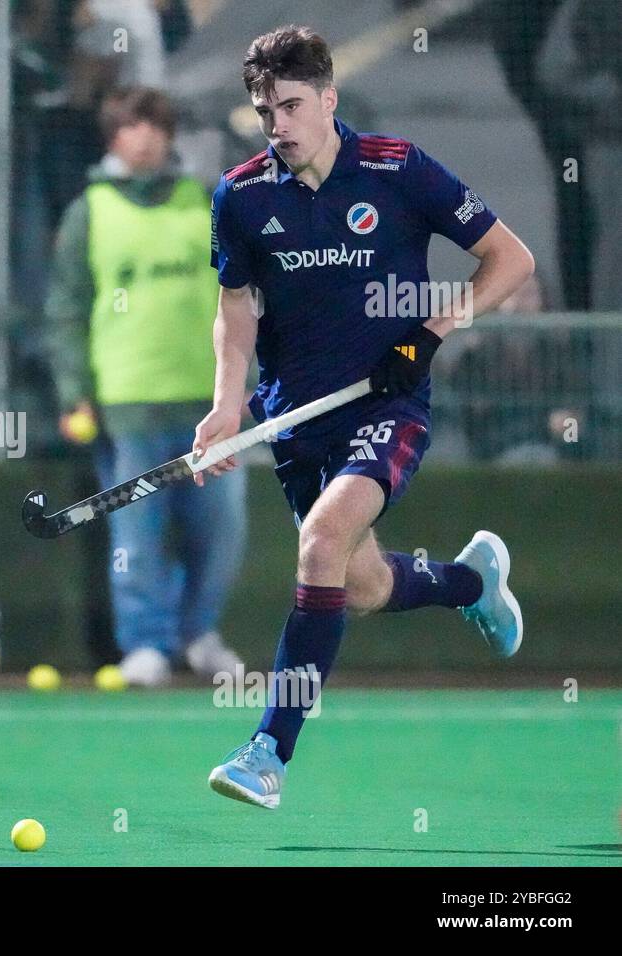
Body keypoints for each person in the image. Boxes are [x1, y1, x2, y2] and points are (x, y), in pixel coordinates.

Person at [194, 26, 535, 808]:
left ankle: (267, 751)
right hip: (294, 418)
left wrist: (428, 334)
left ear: (328, 99)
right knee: (359, 582)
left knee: (320, 540)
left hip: (389, 403)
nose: (275, 125)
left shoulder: (399, 169)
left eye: (289, 105)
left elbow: (511, 259)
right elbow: (236, 309)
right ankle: (467, 584)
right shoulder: (242, 196)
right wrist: (224, 404)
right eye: (262, 109)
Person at [45, 86, 246, 687]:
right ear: (113, 136)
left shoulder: (205, 202)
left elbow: (242, 299)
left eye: (157, 125)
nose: (147, 137)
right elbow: (65, 309)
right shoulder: (89, 212)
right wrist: (73, 391)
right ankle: (146, 645)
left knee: (220, 529)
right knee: (137, 533)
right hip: (126, 405)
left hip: (210, 405)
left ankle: (200, 635)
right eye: (134, 126)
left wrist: (245, 388)